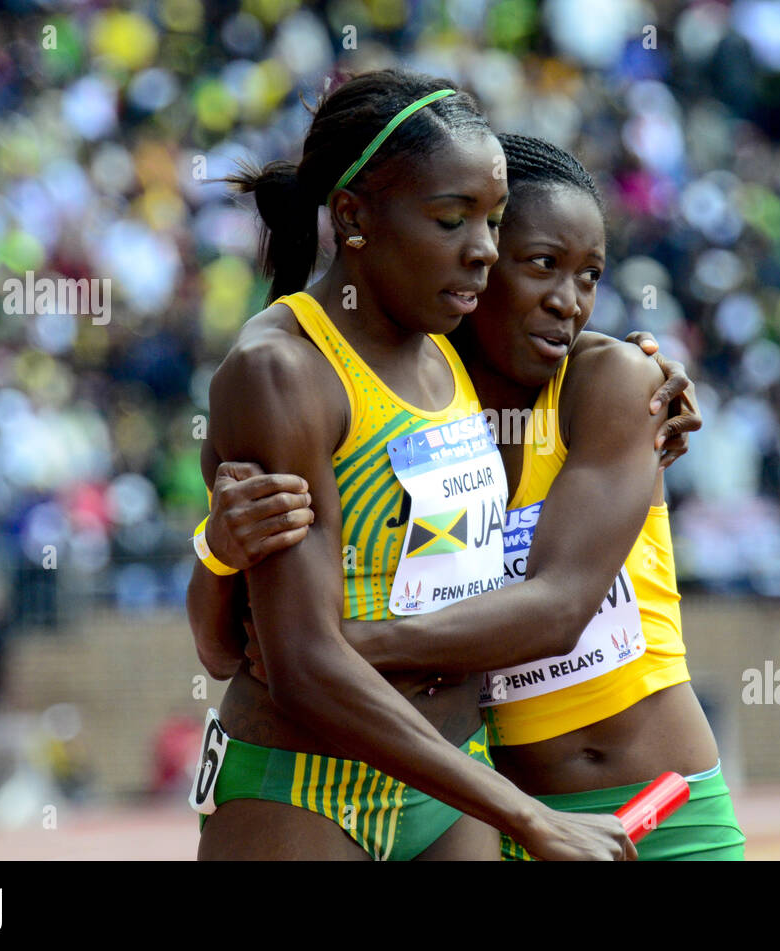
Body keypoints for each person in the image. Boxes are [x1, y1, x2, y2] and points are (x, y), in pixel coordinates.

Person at [195, 134, 744, 860]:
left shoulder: (615, 383)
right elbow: (232, 645)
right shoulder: (399, 400)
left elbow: (556, 608)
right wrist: (217, 553)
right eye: (541, 264)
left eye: (590, 276)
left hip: (654, 807)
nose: (568, 301)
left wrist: (342, 649)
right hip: (486, 804)